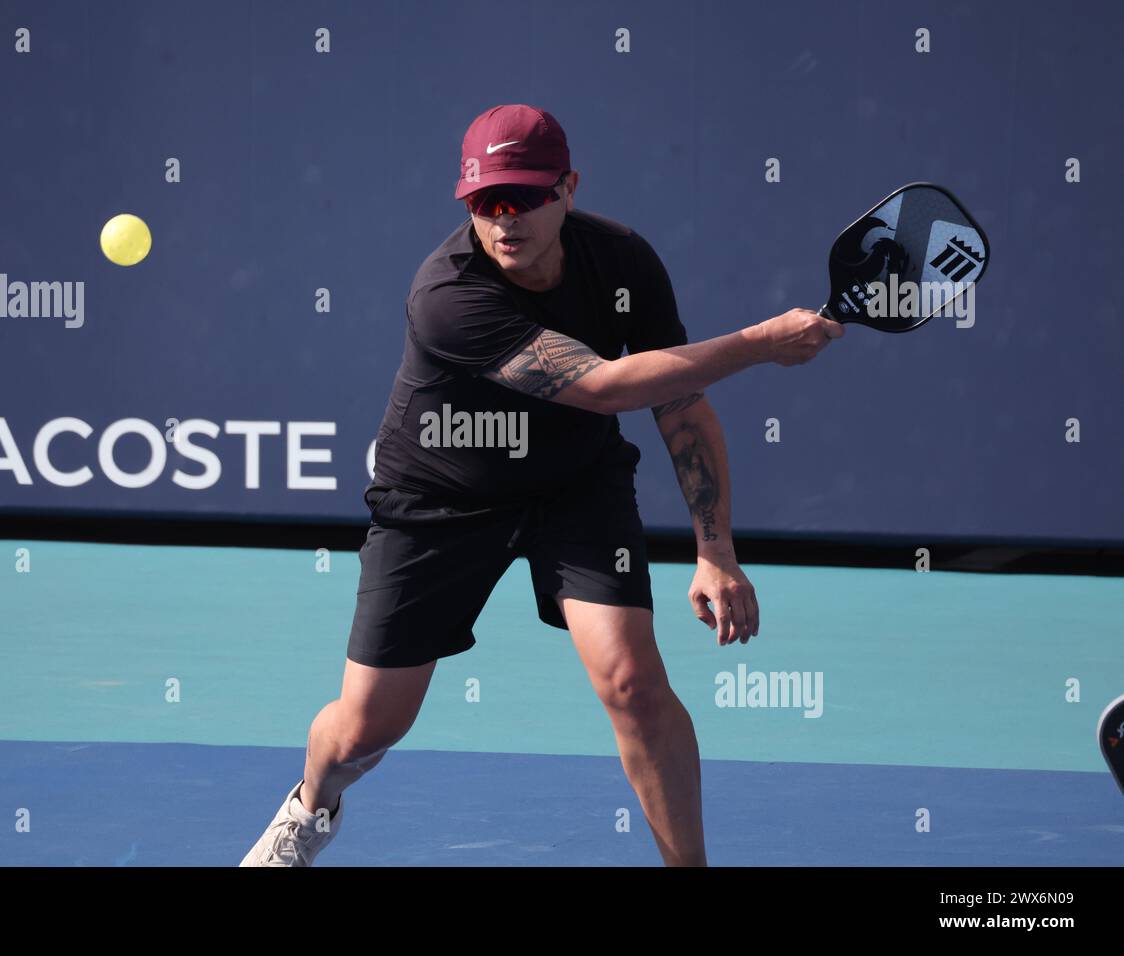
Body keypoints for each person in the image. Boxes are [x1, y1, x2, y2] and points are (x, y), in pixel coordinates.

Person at [240, 104, 842, 867]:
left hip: (573, 486)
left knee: (632, 682)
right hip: (438, 497)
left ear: (567, 189)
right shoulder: (448, 294)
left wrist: (714, 549)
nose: (503, 219)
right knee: (366, 728)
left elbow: (679, 404)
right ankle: (310, 804)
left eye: (522, 197)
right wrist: (760, 344)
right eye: (484, 202)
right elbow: (608, 386)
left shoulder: (622, 261)